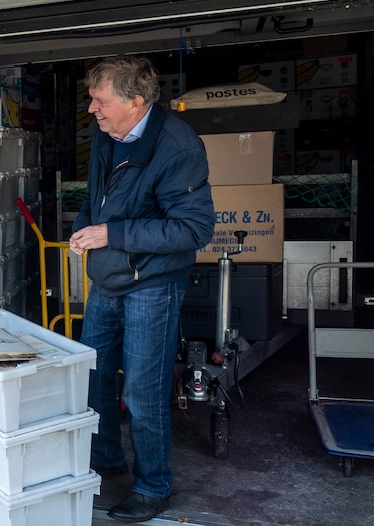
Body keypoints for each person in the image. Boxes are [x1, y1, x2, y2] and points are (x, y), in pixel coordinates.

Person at [69, 56, 214, 523]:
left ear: (135, 101)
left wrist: (111, 234)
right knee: (92, 378)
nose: (92, 108)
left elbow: (193, 230)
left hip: (151, 283)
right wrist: (83, 227)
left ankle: (153, 487)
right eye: (92, 98)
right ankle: (105, 460)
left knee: (144, 391)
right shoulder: (107, 133)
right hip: (108, 279)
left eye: (100, 99)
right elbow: (97, 196)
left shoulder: (177, 146)